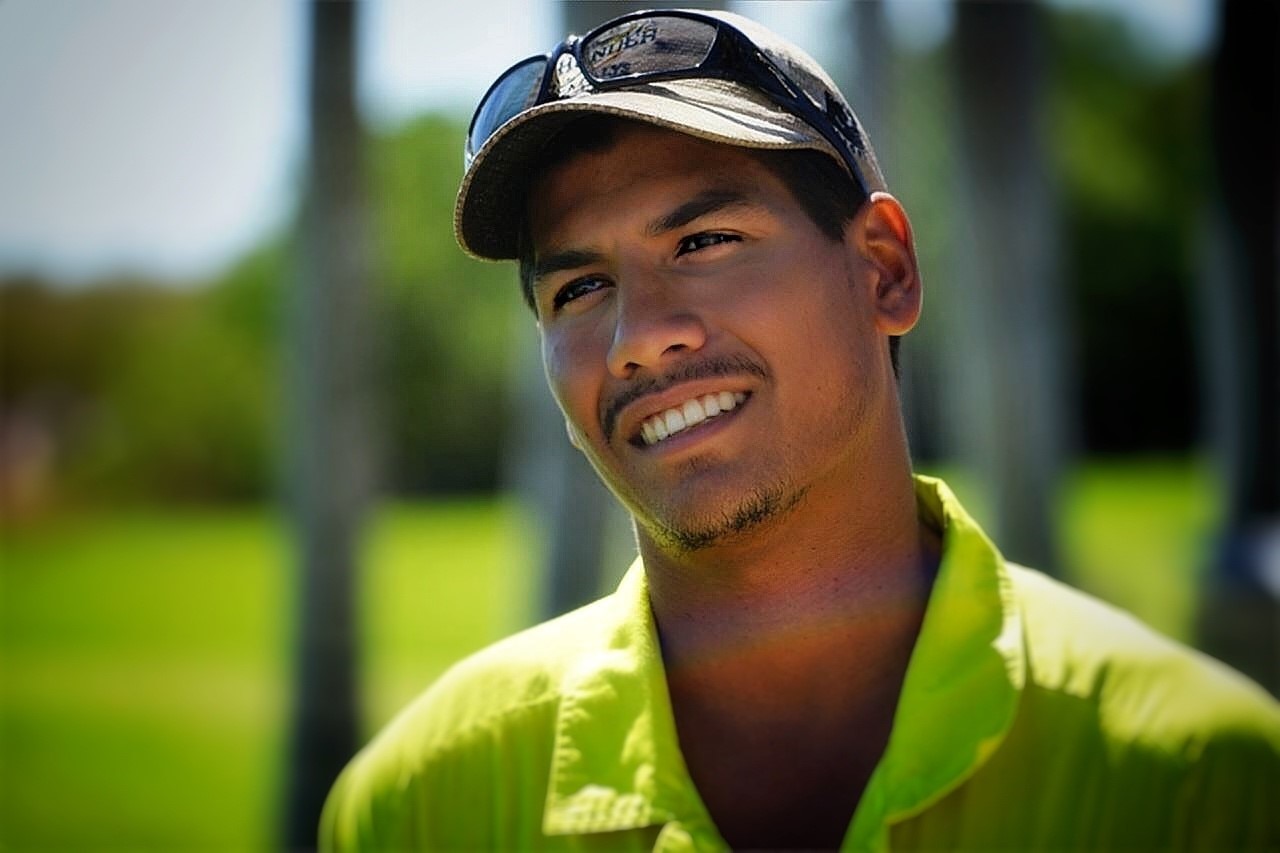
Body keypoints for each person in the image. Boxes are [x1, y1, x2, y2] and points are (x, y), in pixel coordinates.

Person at [321, 9, 1280, 851]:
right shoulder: (417, 805)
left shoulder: (1203, 778)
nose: (638, 337)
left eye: (703, 242)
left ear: (884, 270)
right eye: (579, 288)